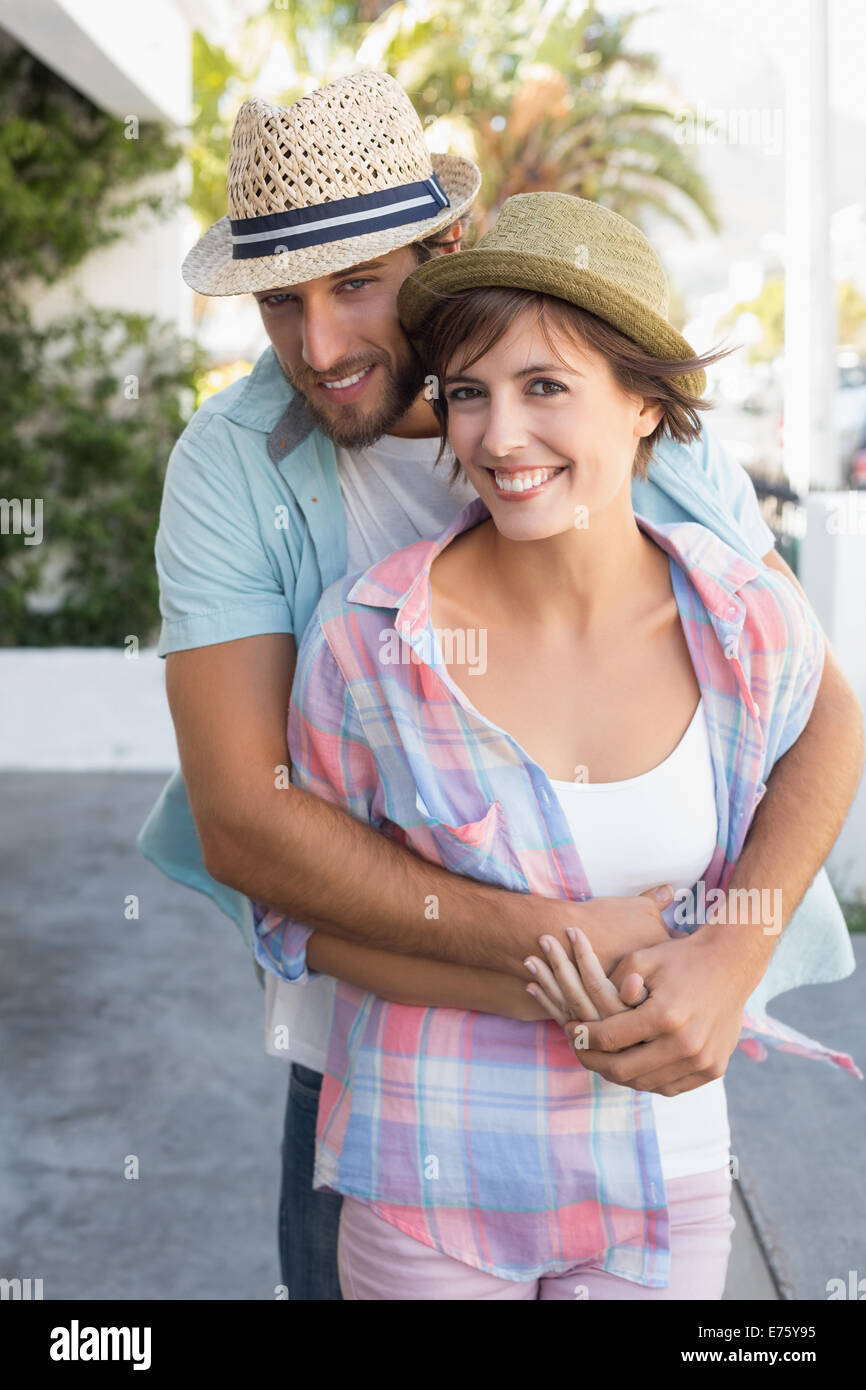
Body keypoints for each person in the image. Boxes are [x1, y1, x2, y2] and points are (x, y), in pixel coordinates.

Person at [137, 72, 864, 1300]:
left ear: (441, 253)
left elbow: (818, 707)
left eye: (356, 287)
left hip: (651, 1059)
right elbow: (249, 819)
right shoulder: (234, 468)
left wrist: (727, 959)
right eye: (279, 304)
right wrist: (566, 944)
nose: (319, 347)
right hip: (386, 1069)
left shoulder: (629, 426)